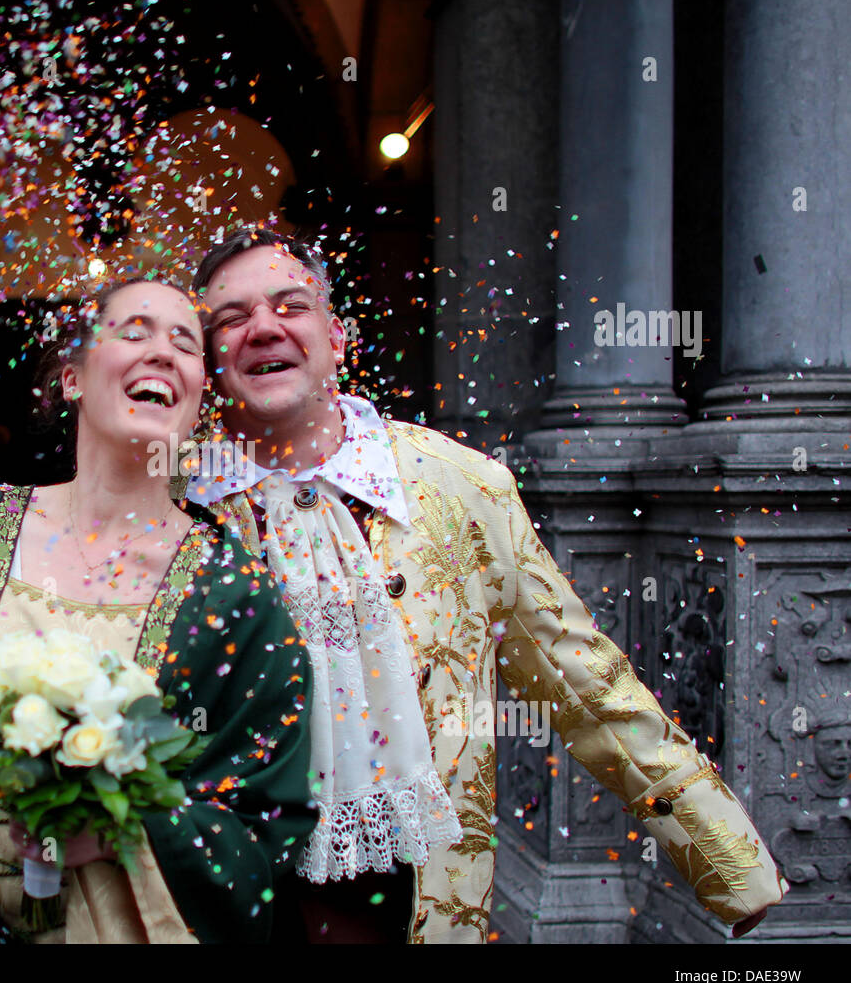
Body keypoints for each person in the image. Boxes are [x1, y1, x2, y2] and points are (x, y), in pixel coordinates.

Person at [183, 228, 787, 942]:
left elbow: (584, 682)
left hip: (416, 906)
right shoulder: (165, 500)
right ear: (210, 363)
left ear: (337, 338)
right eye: (230, 319)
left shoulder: (460, 485)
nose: (262, 329)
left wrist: (725, 857)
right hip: (219, 902)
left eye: (290, 305)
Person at [0, 279, 346, 943]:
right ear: (72, 379)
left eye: (185, 344)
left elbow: (263, 828)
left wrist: (131, 821)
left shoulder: (237, 595)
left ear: (201, 398)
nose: (162, 353)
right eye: (134, 331)